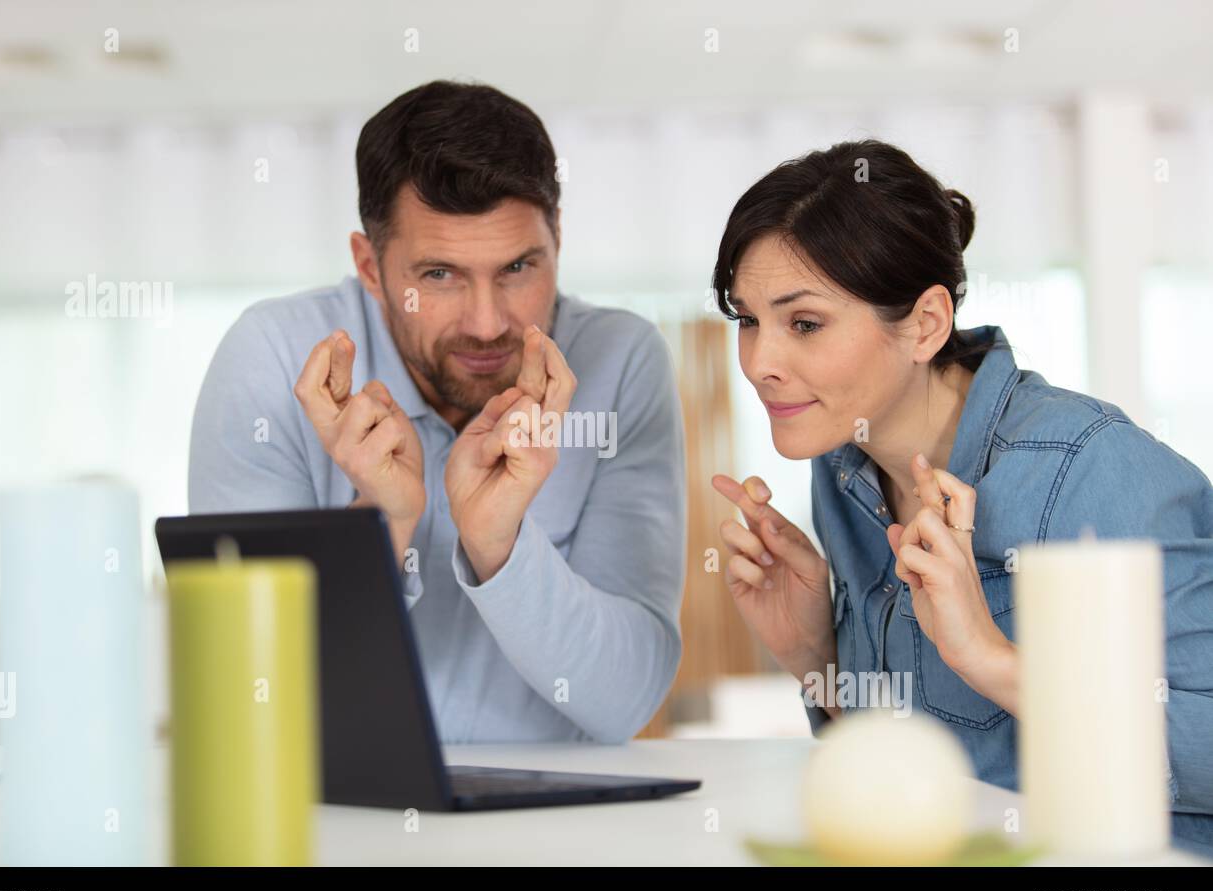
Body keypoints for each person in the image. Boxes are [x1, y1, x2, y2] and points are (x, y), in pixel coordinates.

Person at [709, 139, 1213, 850]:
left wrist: (989, 657)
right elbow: (908, 772)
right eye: (747, 320)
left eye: (805, 323)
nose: (760, 362)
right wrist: (815, 658)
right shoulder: (843, 467)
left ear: (925, 324)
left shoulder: (1091, 467)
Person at [188, 81, 686, 744]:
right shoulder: (274, 359)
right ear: (369, 265)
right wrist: (380, 527)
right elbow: (251, 691)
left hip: (550, 828)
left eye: (517, 267)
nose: (487, 324)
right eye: (439, 276)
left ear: (557, 240)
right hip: (334, 820)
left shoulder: (619, 361)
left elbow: (624, 702)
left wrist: (499, 545)